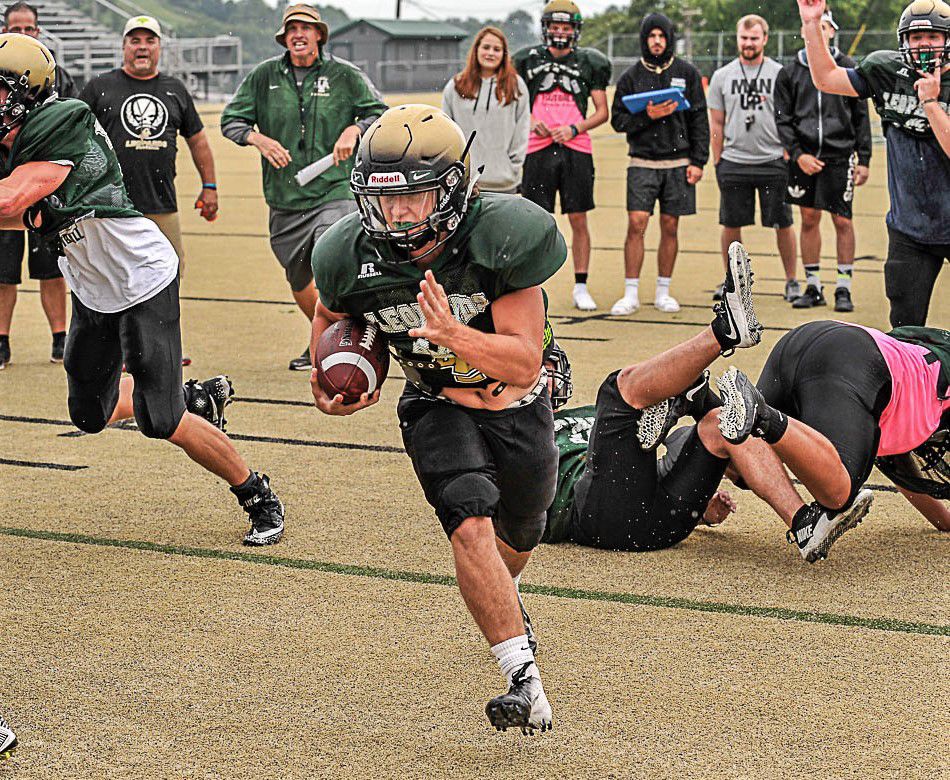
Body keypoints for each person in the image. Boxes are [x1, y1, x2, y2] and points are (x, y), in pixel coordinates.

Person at [310, 105, 566, 734]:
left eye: (415, 196)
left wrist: (455, 334)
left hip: (516, 403)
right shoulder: (346, 253)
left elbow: (526, 362)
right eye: (383, 198)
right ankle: (523, 678)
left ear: (452, 189)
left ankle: (506, 608)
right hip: (434, 399)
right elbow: (326, 319)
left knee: (519, 534)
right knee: (469, 522)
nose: (396, 214)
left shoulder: (501, 234)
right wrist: (330, 377)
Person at [0, 35, 286, 546]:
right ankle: (197, 396)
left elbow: (13, 199)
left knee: (161, 419)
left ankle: (257, 492)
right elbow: (26, 213)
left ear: (27, 92)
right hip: (93, 288)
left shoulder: (60, 119)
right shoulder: (13, 142)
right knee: (90, 414)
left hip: (143, 275)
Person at [221, 3, 387, 371]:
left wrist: (354, 130)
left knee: (330, 258)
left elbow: (378, 111)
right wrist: (257, 139)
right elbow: (231, 120)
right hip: (284, 196)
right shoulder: (263, 77)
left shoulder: (345, 75)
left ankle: (347, 343)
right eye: (292, 28)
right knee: (298, 276)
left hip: (334, 190)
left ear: (319, 36)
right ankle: (327, 334)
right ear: (284, 37)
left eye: (306, 28)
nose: (298, 34)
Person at [716, 321, 950, 557]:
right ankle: (762, 416)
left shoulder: (918, 375)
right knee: (838, 495)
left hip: (809, 339)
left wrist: (945, 522)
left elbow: (904, 472)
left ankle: (701, 401)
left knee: (741, 455)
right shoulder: (925, 395)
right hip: (852, 363)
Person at [795, 0, 950, 327]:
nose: (923, 45)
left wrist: (931, 102)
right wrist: (811, 23)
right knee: (906, 328)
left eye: (932, 36)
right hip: (910, 228)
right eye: (915, 37)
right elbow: (826, 79)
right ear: (903, 41)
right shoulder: (888, 70)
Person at [79, 15, 218, 270]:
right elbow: (75, 139)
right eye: (135, 40)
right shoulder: (99, 87)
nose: (142, 46)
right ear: (124, 47)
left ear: (159, 48)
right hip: (110, 205)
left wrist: (209, 186)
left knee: (168, 273)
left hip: (161, 202)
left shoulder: (175, 89)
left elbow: (198, 141)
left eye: (150, 40)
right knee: (111, 276)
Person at [609, 12, 709, 315]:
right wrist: (646, 117)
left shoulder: (687, 74)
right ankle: (631, 293)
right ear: (643, 40)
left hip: (678, 162)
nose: (656, 41)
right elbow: (618, 120)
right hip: (641, 162)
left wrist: (698, 161)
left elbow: (699, 120)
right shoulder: (630, 77)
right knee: (636, 224)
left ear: (669, 39)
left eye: (661, 36)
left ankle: (663, 291)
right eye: (651, 36)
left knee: (670, 225)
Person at [514, 0, 610, 311]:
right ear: (545, 28)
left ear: (575, 30)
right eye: (555, 26)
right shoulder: (526, 60)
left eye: (566, 27)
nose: (560, 32)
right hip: (537, 147)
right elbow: (513, 101)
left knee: (578, 217)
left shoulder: (589, 62)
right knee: (535, 220)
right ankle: (531, 285)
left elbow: (602, 111)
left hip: (575, 148)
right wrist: (531, 121)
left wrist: (573, 128)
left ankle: (580, 285)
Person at [775, 9, 872, 313]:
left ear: (831, 31)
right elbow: (782, 119)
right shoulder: (789, 73)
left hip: (839, 155)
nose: (818, 31)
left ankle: (844, 287)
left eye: (824, 26)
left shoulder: (848, 68)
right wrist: (798, 154)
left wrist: (864, 157)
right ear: (804, 32)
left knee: (842, 220)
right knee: (808, 219)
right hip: (803, 159)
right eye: (813, 26)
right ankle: (813, 284)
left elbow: (860, 117)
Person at [0, 1, 77, 370]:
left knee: (52, 267)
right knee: (2, 269)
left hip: (46, 182)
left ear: (39, 31)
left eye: (28, 29)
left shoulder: (55, 75)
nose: (22, 34)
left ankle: (61, 337)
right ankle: (1, 341)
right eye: (15, 28)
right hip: (4, 179)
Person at [708, 14, 800, 302]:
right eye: (744, 38)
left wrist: (788, 152)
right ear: (737, 39)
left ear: (765, 39)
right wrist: (718, 160)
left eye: (754, 38)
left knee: (782, 223)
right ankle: (732, 282)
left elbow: (791, 117)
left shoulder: (779, 74)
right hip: (734, 160)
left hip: (772, 159)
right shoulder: (722, 76)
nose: (748, 43)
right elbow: (716, 123)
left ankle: (791, 280)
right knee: (731, 224)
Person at [442, 27, 530, 194]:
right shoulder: (455, 86)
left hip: (505, 183)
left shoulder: (516, 86)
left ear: (504, 54)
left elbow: (522, 128)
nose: (490, 53)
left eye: (497, 49)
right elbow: (446, 131)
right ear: (476, 50)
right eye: (486, 47)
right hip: (466, 184)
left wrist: (513, 166)